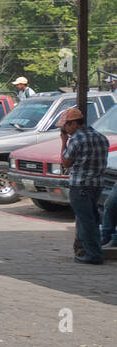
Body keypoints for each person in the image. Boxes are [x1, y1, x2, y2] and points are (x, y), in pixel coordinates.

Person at [60, 106, 107, 264]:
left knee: (85, 220)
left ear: (73, 123)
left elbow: (66, 162)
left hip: (80, 185)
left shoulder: (77, 139)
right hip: (97, 185)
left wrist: (63, 142)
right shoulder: (101, 137)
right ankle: (88, 250)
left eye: (65, 125)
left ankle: (93, 254)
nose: (65, 129)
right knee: (91, 218)